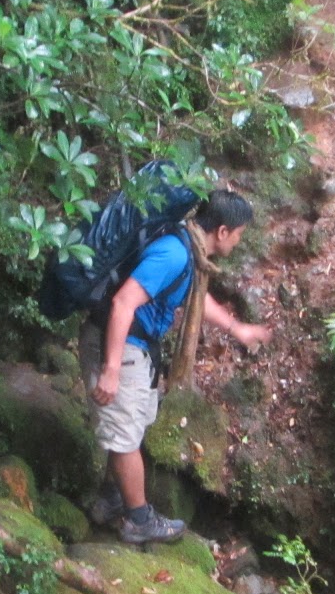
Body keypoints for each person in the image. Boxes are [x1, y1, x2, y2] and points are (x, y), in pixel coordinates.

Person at [81, 190, 271, 544]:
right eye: (240, 234)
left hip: (136, 347)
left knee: (131, 427)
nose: (239, 242)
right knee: (124, 437)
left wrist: (237, 329)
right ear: (223, 231)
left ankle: (111, 499)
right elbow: (123, 303)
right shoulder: (173, 253)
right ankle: (139, 520)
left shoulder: (188, 249)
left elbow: (194, 297)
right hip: (120, 347)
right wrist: (110, 369)